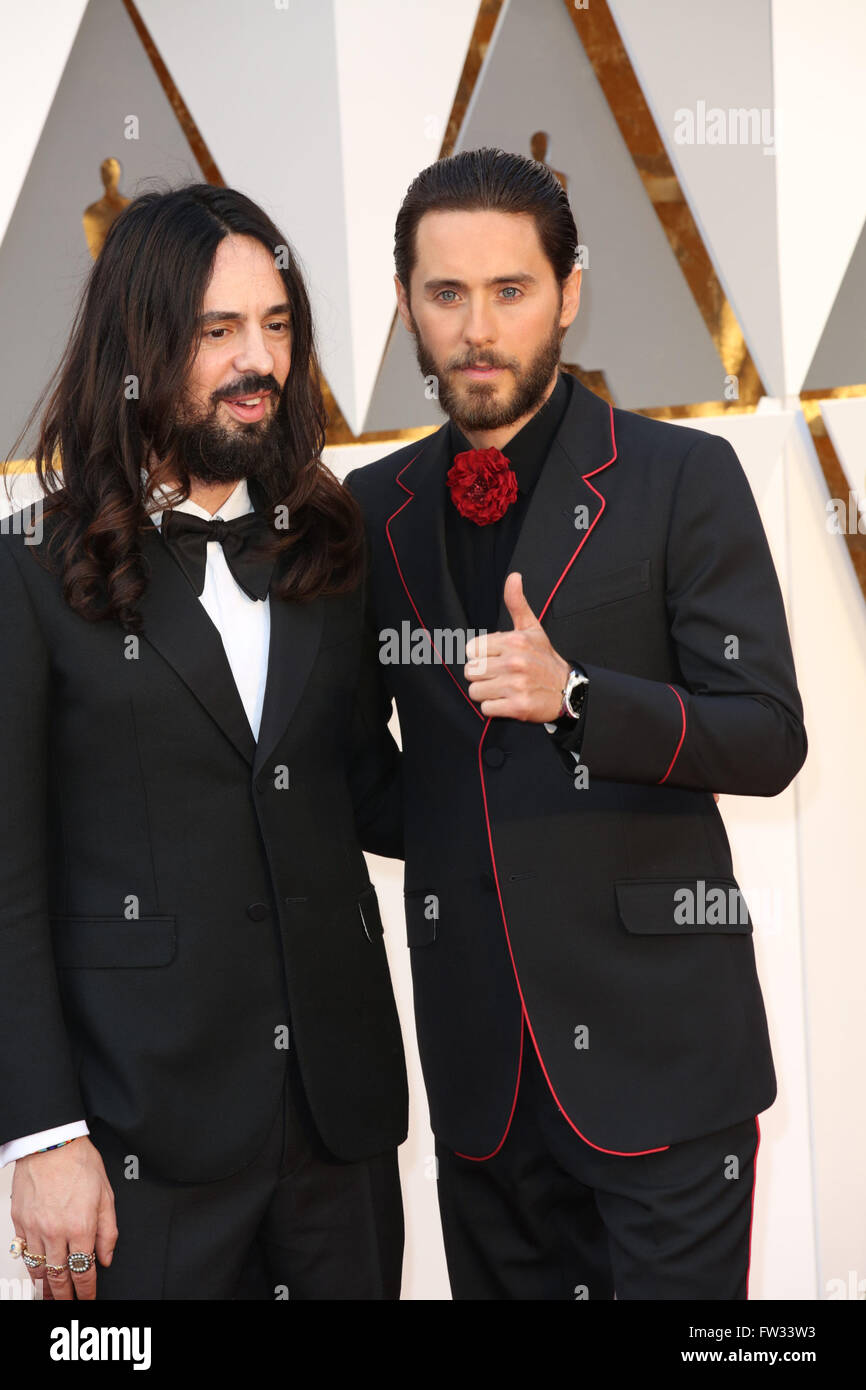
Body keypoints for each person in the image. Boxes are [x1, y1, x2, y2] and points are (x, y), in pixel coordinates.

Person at [344, 147, 807, 1300]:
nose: (476, 327)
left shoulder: (679, 477)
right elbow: (356, 768)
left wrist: (581, 703)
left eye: (511, 289)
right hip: (479, 1079)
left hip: (660, 1064)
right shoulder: (367, 513)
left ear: (568, 290)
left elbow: (763, 731)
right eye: (445, 294)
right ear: (405, 302)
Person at [0, 184, 407, 1301]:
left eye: (275, 325)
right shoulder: (27, 570)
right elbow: (8, 881)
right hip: (135, 1150)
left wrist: (563, 730)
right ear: (138, 342)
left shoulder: (330, 544)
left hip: (339, 1128)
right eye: (217, 329)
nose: (256, 359)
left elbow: (367, 791)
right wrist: (39, 1135)